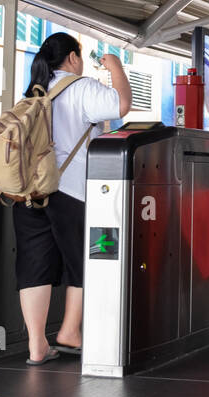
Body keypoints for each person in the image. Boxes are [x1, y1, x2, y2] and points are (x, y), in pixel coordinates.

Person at [12, 33, 131, 365]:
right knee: (82, 262)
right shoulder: (80, 88)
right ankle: (69, 332)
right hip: (70, 192)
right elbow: (121, 104)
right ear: (74, 58)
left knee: (34, 266)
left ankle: (37, 345)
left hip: (27, 191)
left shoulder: (31, 94)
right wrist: (116, 67)